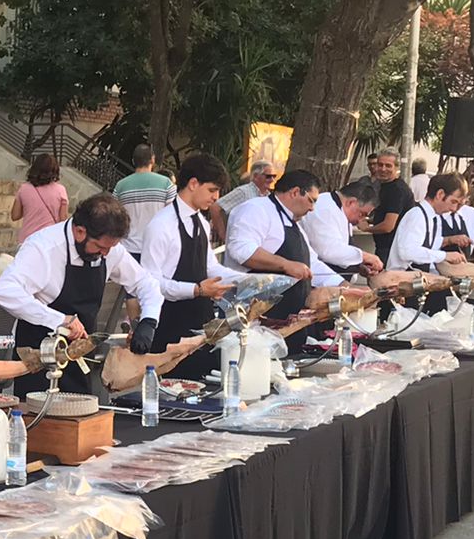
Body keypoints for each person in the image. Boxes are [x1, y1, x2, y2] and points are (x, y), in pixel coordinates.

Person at [0, 194, 164, 395]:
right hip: (40, 358)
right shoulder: (43, 247)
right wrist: (59, 319)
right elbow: (4, 291)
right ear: (80, 231)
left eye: (110, 248)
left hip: (80, 356)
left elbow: (146, 283)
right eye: (100, 247)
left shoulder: (109, 251)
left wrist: (149, 321)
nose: (106, 254)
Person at [137, 153, 241, 380]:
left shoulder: (201, 222)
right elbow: (151, 283)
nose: (216, 197)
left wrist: (246, 280)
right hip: (171, 325)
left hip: (200, 323)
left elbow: (210, 267)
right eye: (212, 190)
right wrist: (197, 290)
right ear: (193, 184)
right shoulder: (161, 226)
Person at [225, 168, 340, 321]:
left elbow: (310, 264)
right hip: (256, 317)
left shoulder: (295, 224)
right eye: (311, 200)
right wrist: (285, 265)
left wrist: (342, 284)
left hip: (290, 317)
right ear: (295, 192)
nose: (312, 209)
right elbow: (241, 250)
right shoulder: (256, 209)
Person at [387, 173, 474, 274]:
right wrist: (445, 256)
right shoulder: (417, 215)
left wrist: (450, 240)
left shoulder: (433, 218)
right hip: (399, 280)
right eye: (453, 202)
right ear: (440, 194)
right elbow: (407, 252)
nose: (453, 209)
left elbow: (427, 244)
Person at [302, 178, 386, 277]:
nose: (360, 220)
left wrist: (358, 266)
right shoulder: (324, 209)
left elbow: (344, 247)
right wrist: (364, 256)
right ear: (351, 202)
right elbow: (328, 250)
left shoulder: (341, 211)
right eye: (361, 214)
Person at [114, 145, 177, 252]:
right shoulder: (166, 184)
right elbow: (173, 215)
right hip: (157, 247)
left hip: (128, 248)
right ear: (152, 159)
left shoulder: (120, 186)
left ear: (133, 161)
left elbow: (114, 216)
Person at [360, 149, 414, 261]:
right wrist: (368, 220)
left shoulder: (397, 190)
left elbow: (388, 226)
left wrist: (366, 229)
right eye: (380, 165)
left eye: (388, 166)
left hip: (391, 251)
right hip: (385, 248)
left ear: (397, 168)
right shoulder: (386, 186)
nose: (383, 169)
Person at [11, 154, 70, 244]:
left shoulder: (24, 189)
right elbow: (63, 219)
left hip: (27, 240)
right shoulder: (60, 190)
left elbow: (15, 215)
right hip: (49, 240)